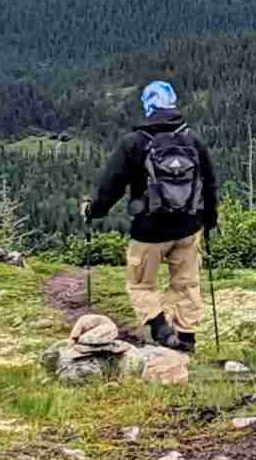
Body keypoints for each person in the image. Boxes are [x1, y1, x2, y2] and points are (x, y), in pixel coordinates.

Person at [85, 80, 219, 353]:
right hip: (188, 228)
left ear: (148, 106)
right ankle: (186, 339)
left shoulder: (134, 143)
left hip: (148, 231)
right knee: (187, 284)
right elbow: (210, 185)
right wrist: (209, 221)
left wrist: (93, 210)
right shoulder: (194, 141)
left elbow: (111, 186)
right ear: (172, 104)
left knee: (140, 284)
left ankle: (160, 330)